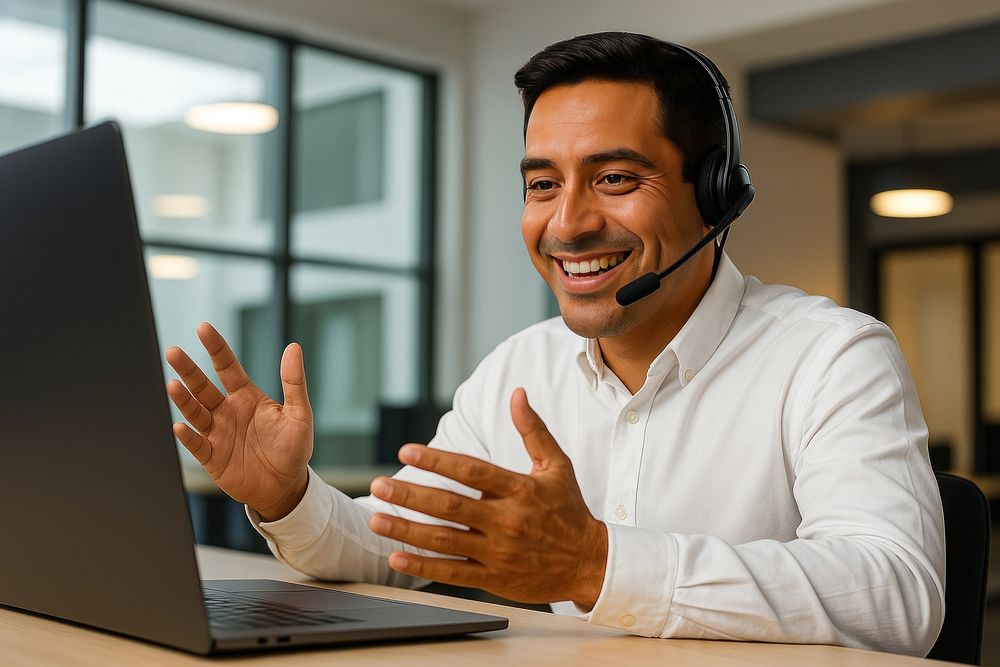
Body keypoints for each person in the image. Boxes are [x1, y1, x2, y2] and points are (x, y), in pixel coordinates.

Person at [165, 32, 945, 656]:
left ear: (716, 197)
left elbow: (898, 594)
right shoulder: (520, 367)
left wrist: (595, 563)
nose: (566, 224)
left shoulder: (833, 356)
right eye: (542, 184)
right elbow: (406, 542)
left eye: (613, 178)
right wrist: (288, 497)